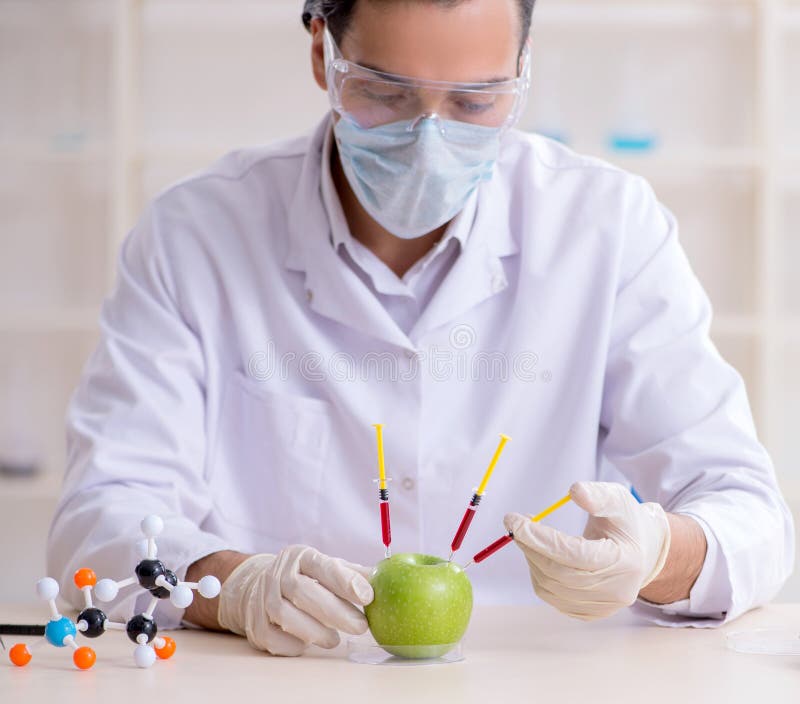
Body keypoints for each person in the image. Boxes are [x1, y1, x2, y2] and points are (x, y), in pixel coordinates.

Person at [48, 0, 794, 656]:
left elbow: (749, 512)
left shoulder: (608, 230)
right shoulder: (197, 234)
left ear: (520, 73)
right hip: (283, 680)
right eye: (385, 94)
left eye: (475, 103)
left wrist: (657, 555)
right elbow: (102, 515)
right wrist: (229, 588)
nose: (428, 142)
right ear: (323, 55)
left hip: (539, 680)